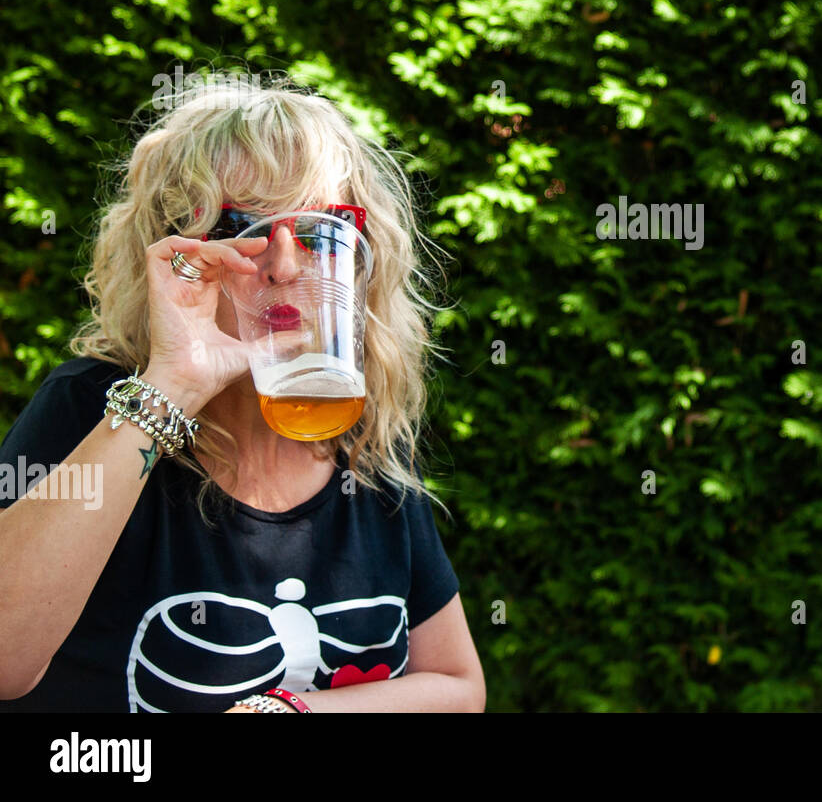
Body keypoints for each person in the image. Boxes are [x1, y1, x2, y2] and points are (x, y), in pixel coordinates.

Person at [0, 71, 485, 712]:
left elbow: (458, 687)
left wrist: (292, 711)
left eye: (319, 229)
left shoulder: (364, 445)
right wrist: (175, 381)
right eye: (246, 227)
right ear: (178, 253)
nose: (285, 266)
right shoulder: (92, 411)